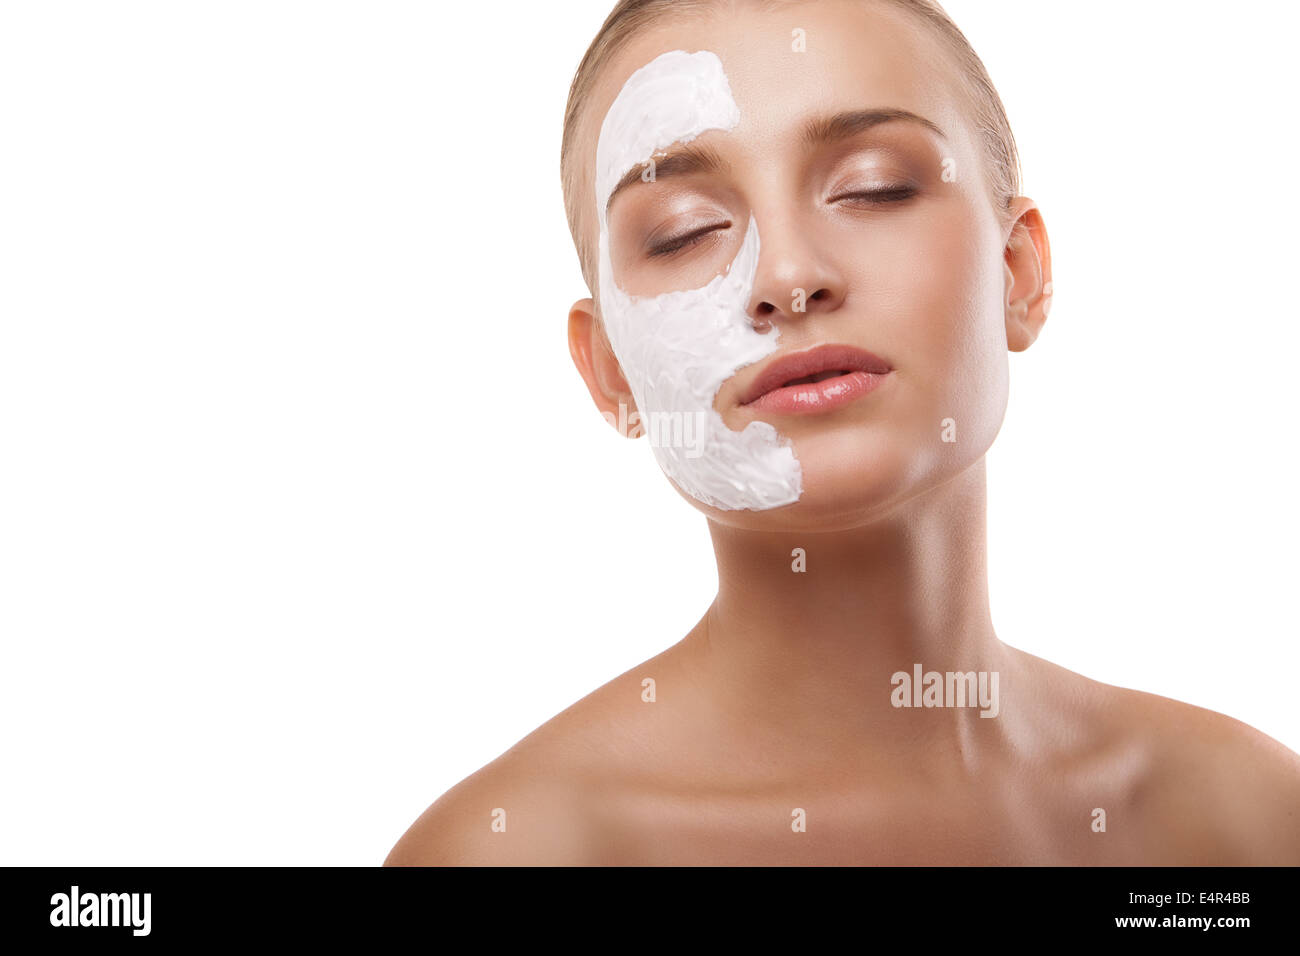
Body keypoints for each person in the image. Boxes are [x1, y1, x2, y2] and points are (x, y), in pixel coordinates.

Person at [385, 0, 1300, 865]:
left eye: (874, 188)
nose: (786, 275)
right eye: (684, 231)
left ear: (1020, 275)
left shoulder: (1240, 822)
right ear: (611, 372)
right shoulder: (518, 851)